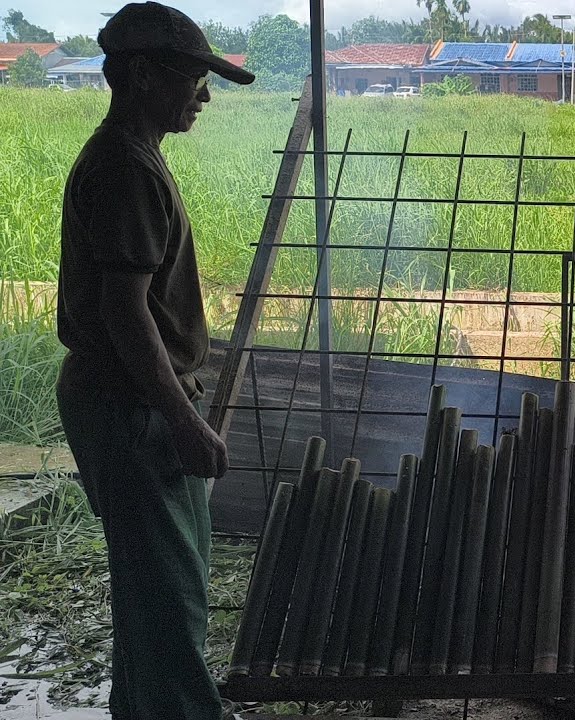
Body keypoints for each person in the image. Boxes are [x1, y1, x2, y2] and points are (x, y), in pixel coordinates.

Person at [56, 3, 253, 717]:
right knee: (167, 605)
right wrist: (184, 420)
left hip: (135, 403)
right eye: (193, 79)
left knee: (163, 591)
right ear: (141, 76)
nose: (204, 95)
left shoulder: (135, 159)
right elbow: (124, 313)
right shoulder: (124, 168)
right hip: (130, 406)